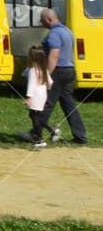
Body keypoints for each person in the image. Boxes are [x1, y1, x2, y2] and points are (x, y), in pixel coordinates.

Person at [38, 8, 88, 145]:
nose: (41, 23)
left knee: (46, 102)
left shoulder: (54, 33)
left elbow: (54, 55)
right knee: (69, 105)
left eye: (42, 20)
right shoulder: (67, 31)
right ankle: (80, 136)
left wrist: (47, 75)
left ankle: (35, 134)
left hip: (58, 71)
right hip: (69, 70)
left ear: (49, 19)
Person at [23, 46, 52, 149]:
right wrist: (45, 88)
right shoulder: (44, 69)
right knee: (35, 115)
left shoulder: (32, 70)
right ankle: (49, 131)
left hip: (35, 95)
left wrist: (28, 98)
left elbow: (31, 85)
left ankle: (39, 139)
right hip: (43, 94)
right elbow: (50, 83)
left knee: (35, 117)